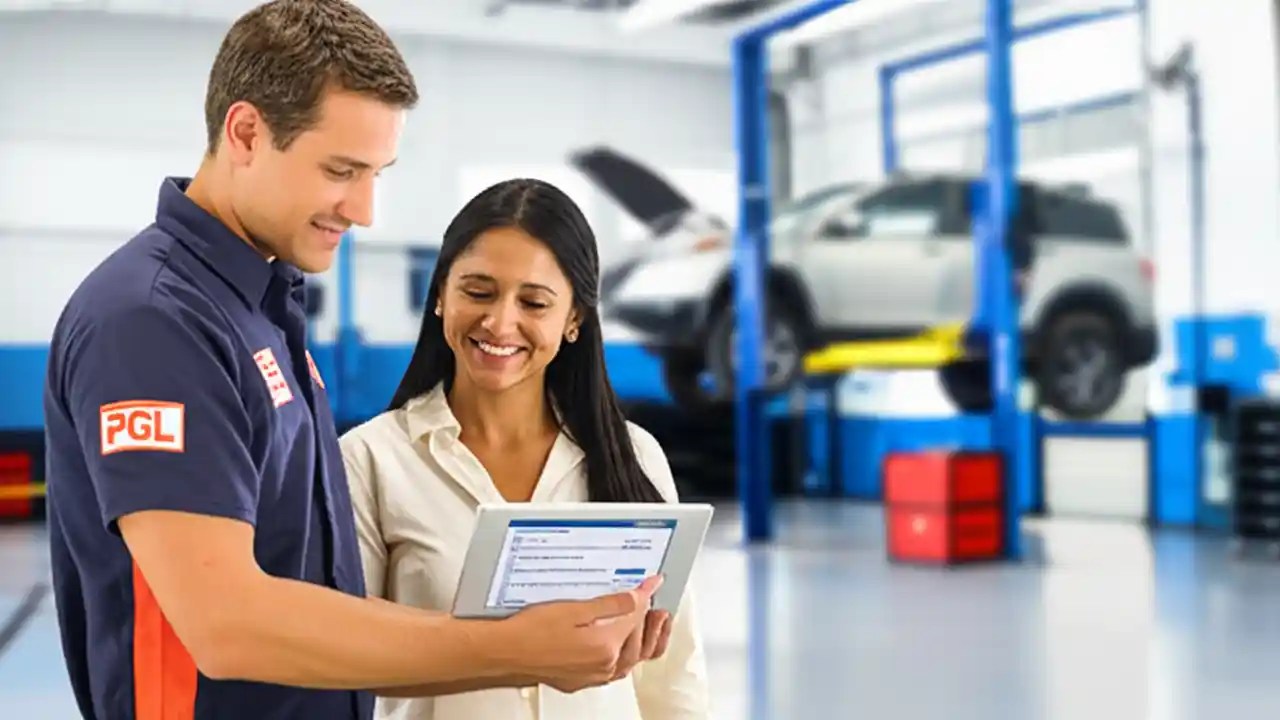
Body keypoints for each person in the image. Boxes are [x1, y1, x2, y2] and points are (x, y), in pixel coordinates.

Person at [42, 2, 668, 718]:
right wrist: (515, 647)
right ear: (246, 132)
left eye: (377, 173)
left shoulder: (257, 309)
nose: (365, 209)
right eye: (342, 170)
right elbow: (226, 625)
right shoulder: (153, 321)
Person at [337, 177, 712, 719]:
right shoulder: (371, 461)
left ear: (574, 319)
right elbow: (346, 656)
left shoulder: (634, 457)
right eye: (478, 291)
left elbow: (672, 675)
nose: (500, 322)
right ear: (440, 295)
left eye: (534, 302)